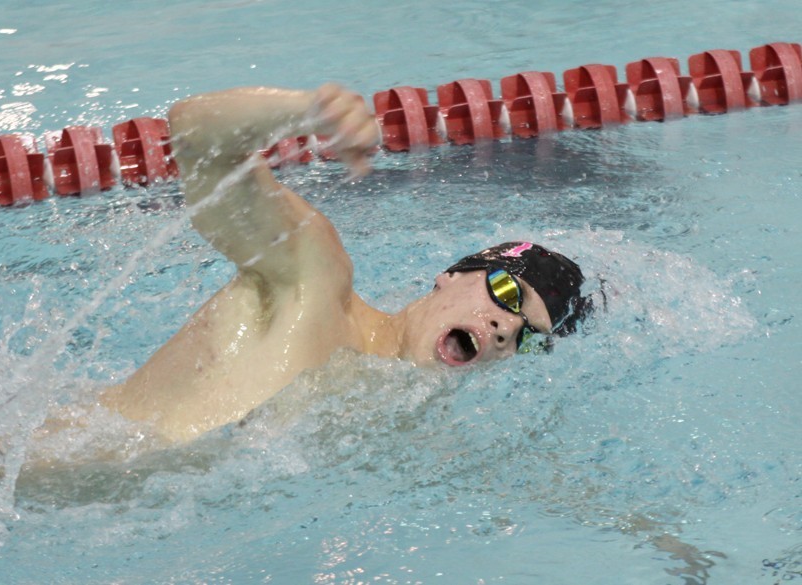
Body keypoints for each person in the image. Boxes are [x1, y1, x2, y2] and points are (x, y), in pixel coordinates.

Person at [97, 83, 588, 444]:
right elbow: (193, 133)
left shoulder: (390, 422)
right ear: (452, 276)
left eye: (528, 338)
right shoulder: (312, 280)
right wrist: (306, 111)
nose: (506, 328)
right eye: (508, 294)